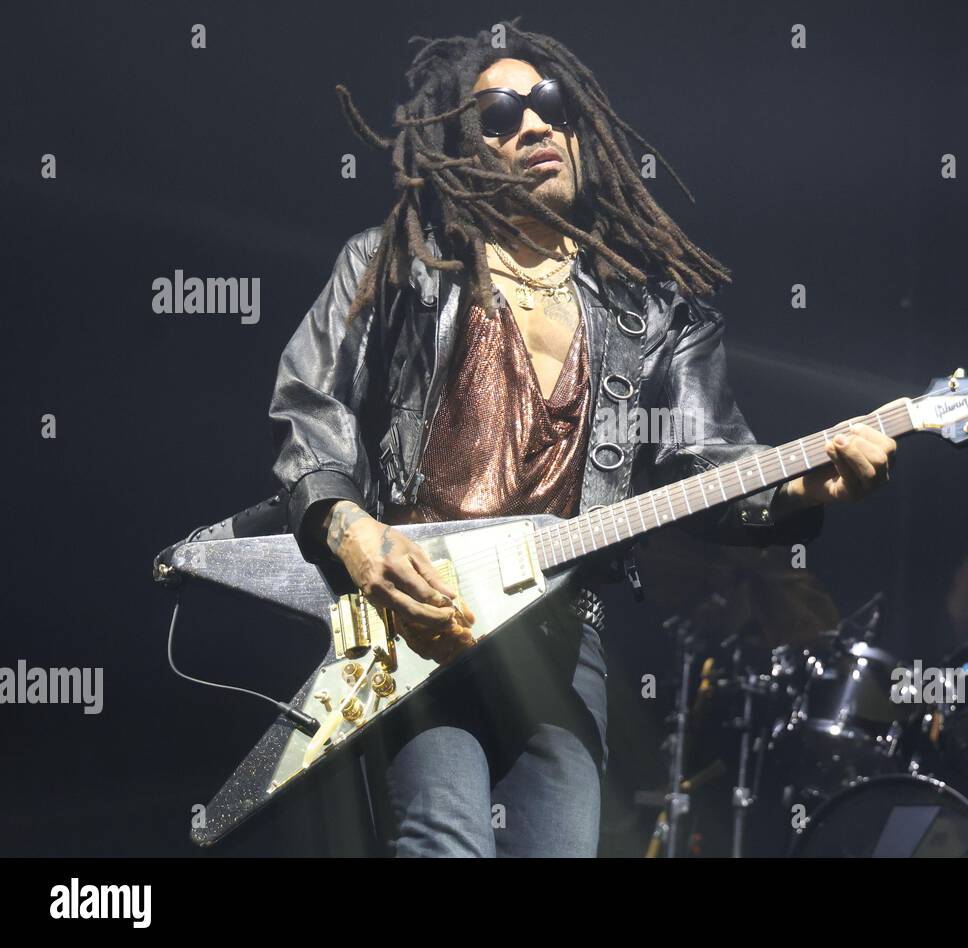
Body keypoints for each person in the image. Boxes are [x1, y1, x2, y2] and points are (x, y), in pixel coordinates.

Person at [268, 20, 897, 857]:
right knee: (445, 841)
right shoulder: (396, 267)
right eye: (497, 116)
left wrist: (805, 487)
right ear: (462, 145)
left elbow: (712, 459)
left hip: (566, 636)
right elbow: (310, 409)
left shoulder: (654, 310)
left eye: (548, 104)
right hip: (417, 617)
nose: (531, 125)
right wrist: (355, 536)